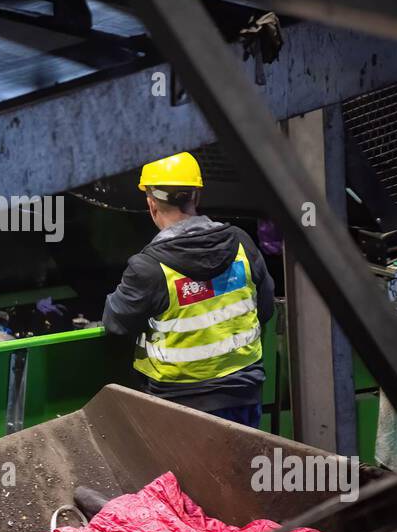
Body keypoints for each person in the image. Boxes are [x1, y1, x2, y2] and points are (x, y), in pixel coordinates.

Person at [102, 151, 275, 427]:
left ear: (151, 204)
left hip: (177, 408)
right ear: (196, 196)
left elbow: (115, 323)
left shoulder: (148, 268)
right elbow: (265, 308)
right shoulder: (242, 243)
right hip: (244, 397)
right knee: (238, 470)